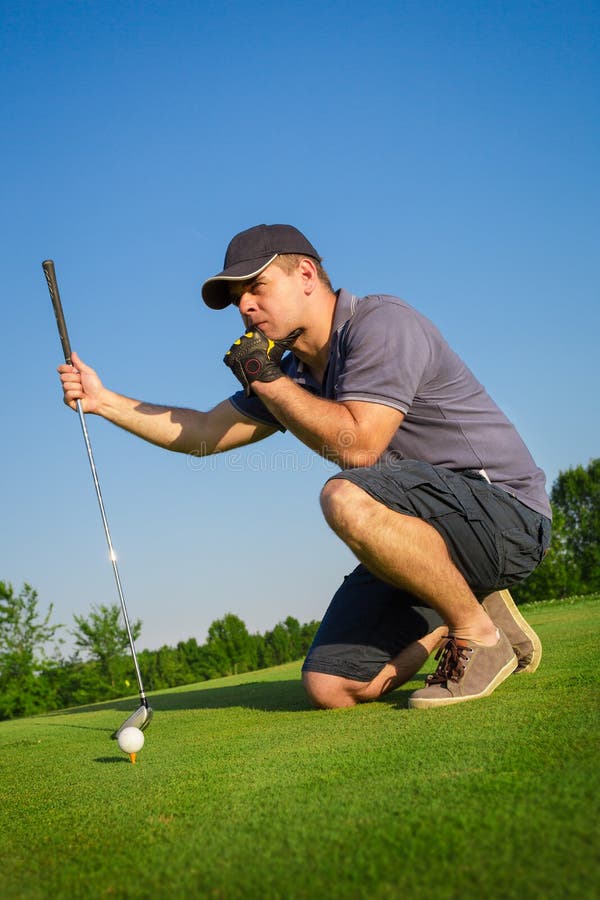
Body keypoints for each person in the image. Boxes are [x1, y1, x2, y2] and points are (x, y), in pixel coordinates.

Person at [58, 224, 552, 711]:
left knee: (345, 496)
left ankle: (477, 634)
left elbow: (357, 447)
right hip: (424, 537)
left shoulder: (381, 324)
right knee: (329, 686)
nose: (245, 306)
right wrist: (104, 402)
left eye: (257, 286)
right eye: (236, 299)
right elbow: (204, 434)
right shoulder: (292, 374)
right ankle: (465, 604)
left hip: (507, 518)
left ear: (307, 275)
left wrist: (265, 380)